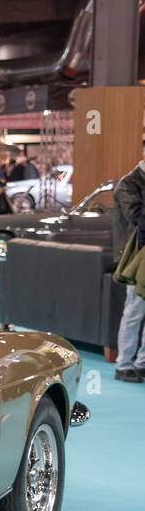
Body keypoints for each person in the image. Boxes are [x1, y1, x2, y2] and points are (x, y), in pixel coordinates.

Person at [111, 159, 145, 383]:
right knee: (134, 310)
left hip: (140, 255)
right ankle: (123, 364)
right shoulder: (128, 184)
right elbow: (137, 216)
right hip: (134, 257)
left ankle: (142, 363)